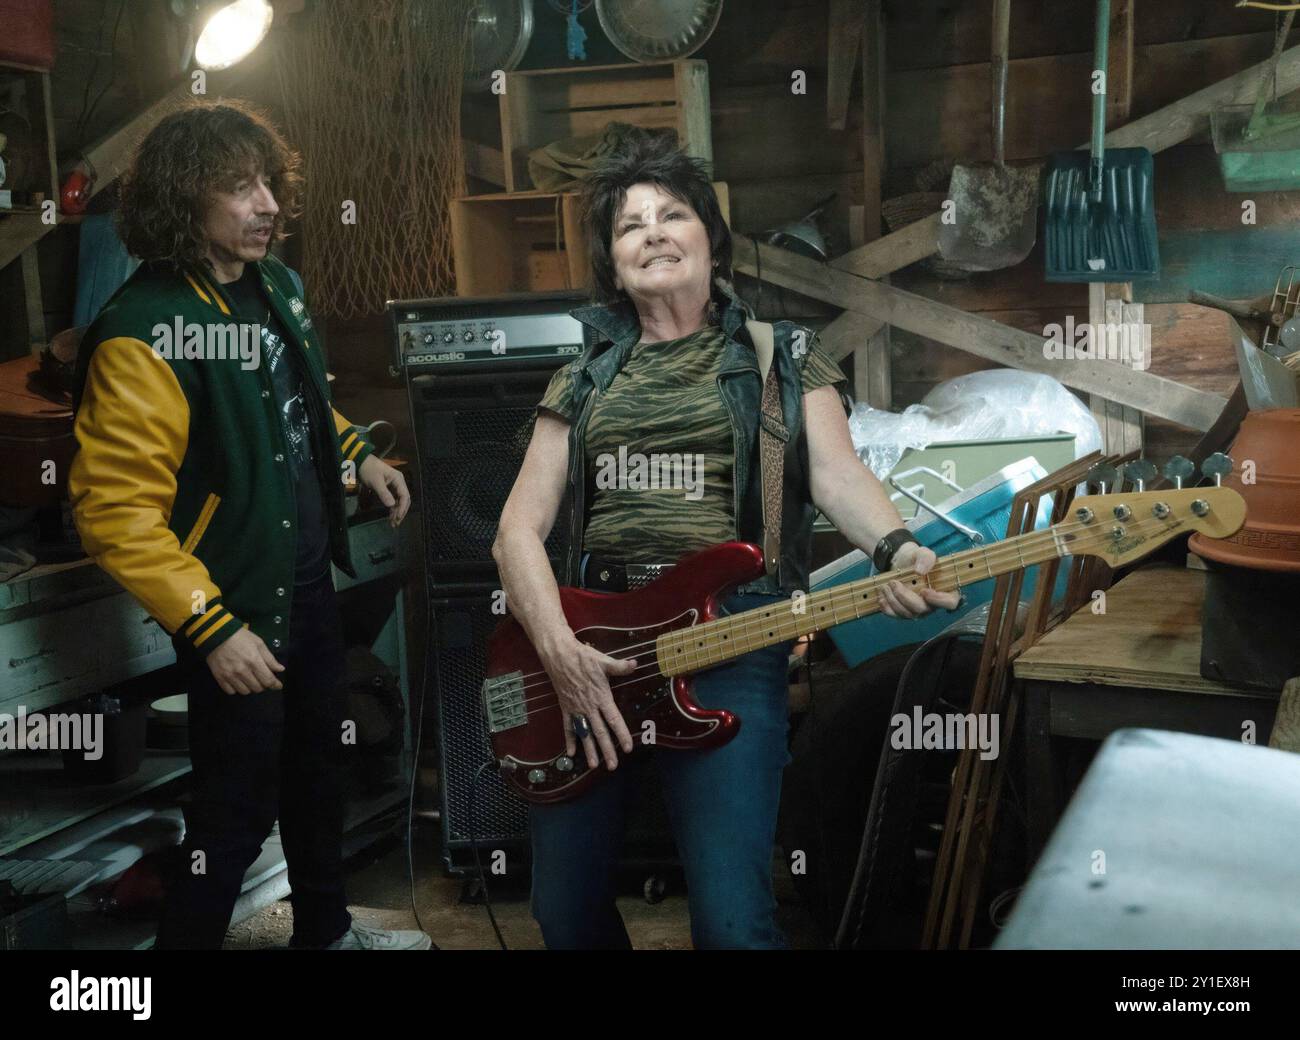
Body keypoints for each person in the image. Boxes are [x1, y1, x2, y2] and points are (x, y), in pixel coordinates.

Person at [493, 129, 961, 950]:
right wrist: (560, 651)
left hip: (733, 637)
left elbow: (837, 476)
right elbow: (515, 531)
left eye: (672, 214)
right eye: (630, 225)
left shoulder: (783, 359)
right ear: (612, 261)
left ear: (713, 239)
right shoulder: (584, 375)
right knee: (562, 917)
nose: (653, 233)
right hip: (592, 647)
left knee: (733, 924)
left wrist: (897, 548)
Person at [69, 98, 426, 951]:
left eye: (268, 182)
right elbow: (114, 510)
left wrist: (356, 455)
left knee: (317, 769)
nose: (267, 203)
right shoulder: (143, 331)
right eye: (239, 187)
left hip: (303, 582)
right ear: (183, 201)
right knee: (233, 809)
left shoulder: (277, 290)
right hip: (232, 607)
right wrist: (210, 625)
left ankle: (326, 933)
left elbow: (297, 411)